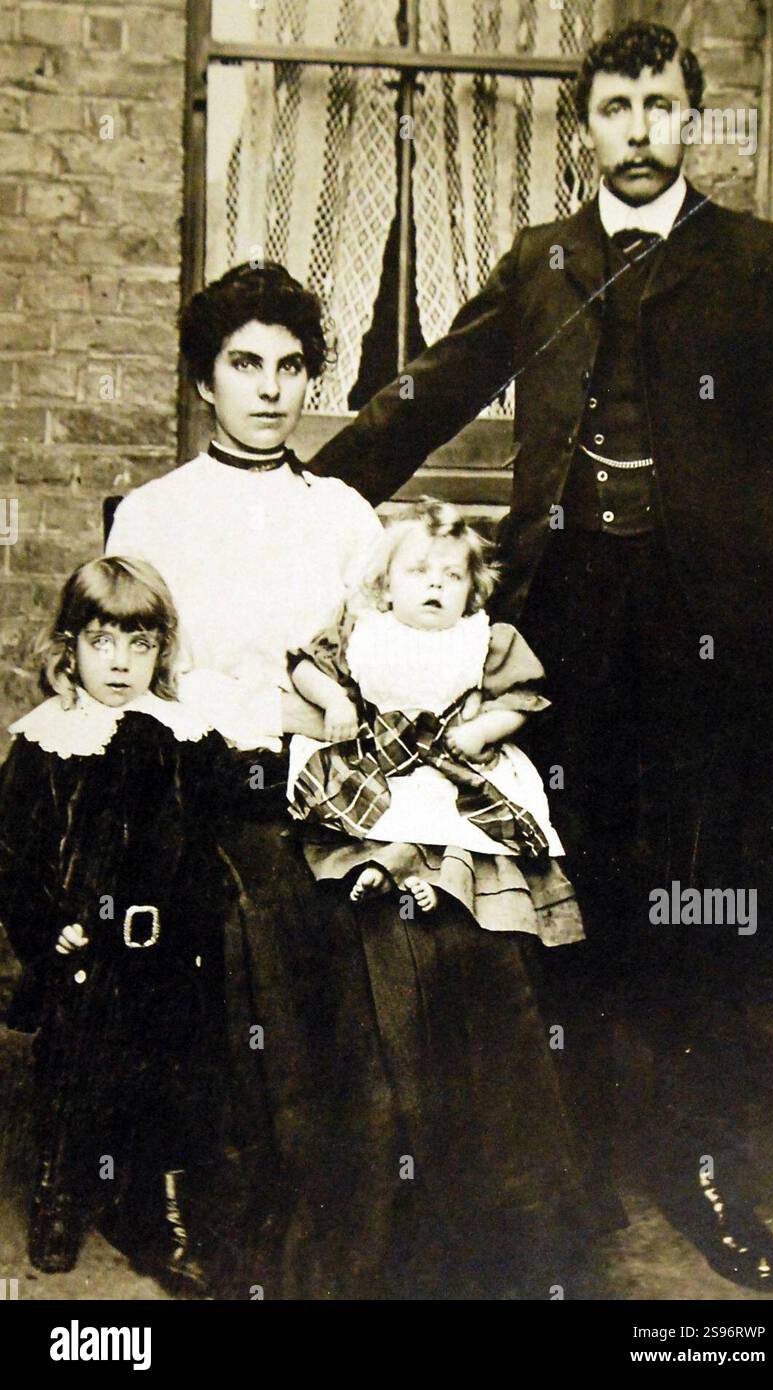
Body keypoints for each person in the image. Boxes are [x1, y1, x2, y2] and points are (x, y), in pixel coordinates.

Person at [308, 20, 773, 1291]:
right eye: (615, 108)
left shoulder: (757, 262)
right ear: (578, 128)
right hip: (564, 617)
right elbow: (433, 387)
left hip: (707, 631)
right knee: (557, 872)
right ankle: (561, 1160)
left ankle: (696, 1159)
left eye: (660, 105)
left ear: (691, 120)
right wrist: (306, 498)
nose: (638, 129)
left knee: (698, 890)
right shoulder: (543, 260)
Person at [104, 262, 384, 1297]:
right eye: (243, 363)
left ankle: (344, 1194)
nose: (269, 388)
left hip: (316, 773)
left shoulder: (345, 516)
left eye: (291, 366)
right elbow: (137, 675)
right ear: (202, 380)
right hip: (194, 775)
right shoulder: (154, 515)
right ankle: (187, 1188)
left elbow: (370, 670)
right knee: (215, 905)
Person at [0, 557, 231, 1296]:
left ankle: (157, 1214)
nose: (122, 663)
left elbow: (203, 848)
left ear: (163, 650)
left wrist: (197, 937)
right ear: (68, 648)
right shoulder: (47, 742)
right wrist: (47, 928)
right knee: (75, 1074)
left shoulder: (184, 736)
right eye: (103, 644)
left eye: (141, 645)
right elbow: (13, 855)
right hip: (84, 952)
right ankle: (60, 1199)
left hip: (163, 951)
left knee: (166, 1081)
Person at [288, 497, 582, 946]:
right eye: (419, 572)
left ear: (471, 591)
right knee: (378, 814)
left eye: (452, 576)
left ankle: (443, 887)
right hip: (381, 759)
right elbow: (306, 666)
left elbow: (520, 697)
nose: (436, 586)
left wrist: (482, 729)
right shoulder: (364, 632)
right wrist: (335, 702)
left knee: (461, 824)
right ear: (386, 587)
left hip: (453, 758)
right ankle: (384, 870)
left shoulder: (481, 639)